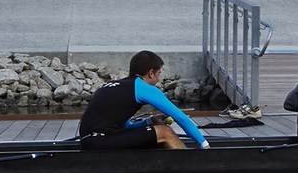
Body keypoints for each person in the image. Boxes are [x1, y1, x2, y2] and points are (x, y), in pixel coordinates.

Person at [80, 50, 209, 150]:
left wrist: (149, 121)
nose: (159, 79)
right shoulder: (144, 88)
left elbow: (124, 127)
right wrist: (204, 145)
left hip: (89, 141)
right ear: (151, 73)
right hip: (100, 141)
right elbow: (181, 118)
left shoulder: (117, 85)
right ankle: (189, 166)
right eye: (159, 74)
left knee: (157, 131)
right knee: (165, 132)